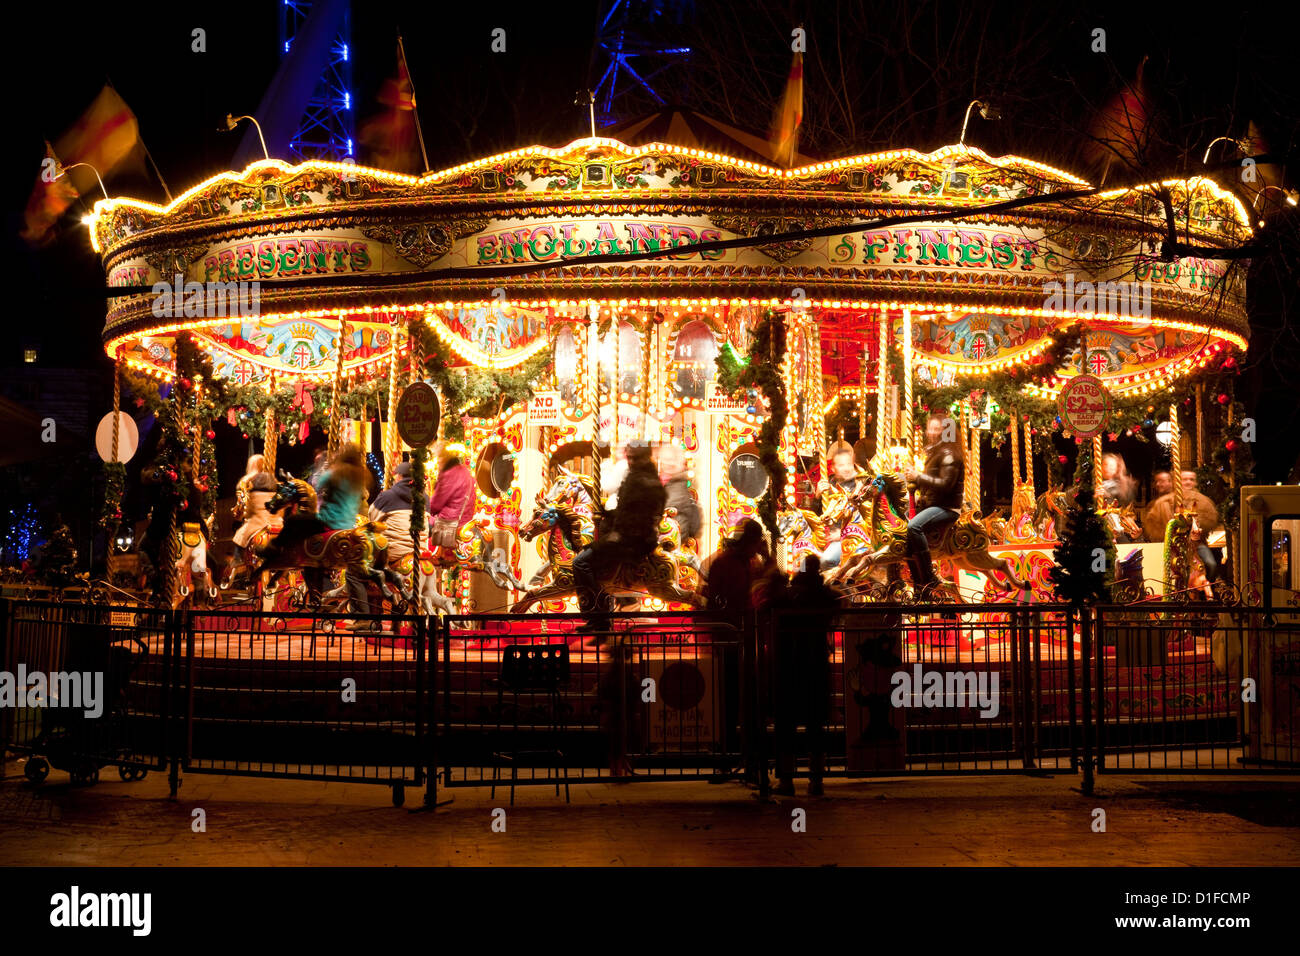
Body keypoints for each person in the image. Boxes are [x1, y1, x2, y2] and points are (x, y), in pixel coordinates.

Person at [573, 440, 667, 634]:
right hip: (634, 535)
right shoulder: (647, 478)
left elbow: (635, 516)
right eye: (629, 457)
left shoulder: (641, 481)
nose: (631, 461)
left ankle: (597, 619)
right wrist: (609, 515)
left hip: (631, 540)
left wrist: (615, 530)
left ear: (644, 457)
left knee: (580, 562)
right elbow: (629, 511)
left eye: (635, 458)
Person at [772, 555, 840, 797]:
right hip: (816, 663)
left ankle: (787, 781)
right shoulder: (824, 596)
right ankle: (816, 780)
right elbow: (837, 604)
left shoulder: (787, 596)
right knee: (816, 725)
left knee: (786, 724)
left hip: (789, 663)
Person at [903, 413, 966, 597]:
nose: (930, 432)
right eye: (929, 428)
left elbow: (945, 485)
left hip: (947, 507)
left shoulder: (950, 455)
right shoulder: (936, 452)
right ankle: (918, 585)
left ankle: (930, 576)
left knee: (914, 526)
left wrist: (918, 476)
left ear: (945, 431)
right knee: (902, 531)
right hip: (933, 504)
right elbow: (932, 485)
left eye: (935, 428)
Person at [1143, 470, 1224, 581]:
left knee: (1211, 564)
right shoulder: (1162, 503)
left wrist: (1192, 525)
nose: (1188, 482)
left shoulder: (1204, 501)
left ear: (1195, 482)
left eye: (1191, 479)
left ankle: (1205, 590)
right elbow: (1152, 524)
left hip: (1196, 545)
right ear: (1177, 481)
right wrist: (1169, 532)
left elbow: (1211, 519)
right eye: (1184, 479)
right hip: (1171, 545)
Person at [228, 455, 282, 586]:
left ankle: (237, 558)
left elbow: (246, 511)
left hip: (258, 522)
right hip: (277, 523)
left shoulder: (247, 482)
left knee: (239, 536)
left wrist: (241, 515)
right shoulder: (275, 482)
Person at [816, 447, 867, 570]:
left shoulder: (860, 485)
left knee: (826, 560)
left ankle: (842, 588)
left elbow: (866, 517)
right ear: (833, 468)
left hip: (853, 536)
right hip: (829, 535)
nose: (847, 468)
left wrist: (842, 533)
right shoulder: (828, 484)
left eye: (849, 464)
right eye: (841, 465)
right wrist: (817, 495)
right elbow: (817, 516)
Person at [427, 445, 475, 565]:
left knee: (421, 525)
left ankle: (425, 557)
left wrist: (427, 508)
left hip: (451, 520)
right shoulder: (464, 470)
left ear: (444, 460)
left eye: (439, 461)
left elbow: (436, 504)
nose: (438, 464)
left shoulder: (449, 474)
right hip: (466, 517)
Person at [369, 461, 420, 567]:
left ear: (399, 476)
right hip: (420, 549)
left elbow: (372, 518)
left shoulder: (387, 496)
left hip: (396, 553)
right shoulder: (425, 498)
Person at [658, 443, 701, 544]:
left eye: (670, 460)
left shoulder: (677, 487)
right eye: (665, 459)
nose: (667, 463)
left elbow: (664, 512)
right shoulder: (667, 483)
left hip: (671, 541)